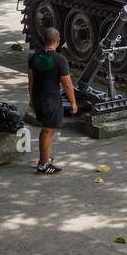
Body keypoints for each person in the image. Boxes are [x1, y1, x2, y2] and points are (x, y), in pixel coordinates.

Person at [28, 27, 77, 174]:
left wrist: (31, 99)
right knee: (48, 131)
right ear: (58, 41)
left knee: (46, 128)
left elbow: (30, 80)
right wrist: (73, 102)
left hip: (37, 98)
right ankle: (43, 165)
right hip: (51, 100)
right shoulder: (60, 60)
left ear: (44, 40)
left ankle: (45, 158)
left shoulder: (34, 58)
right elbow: (67, 84)